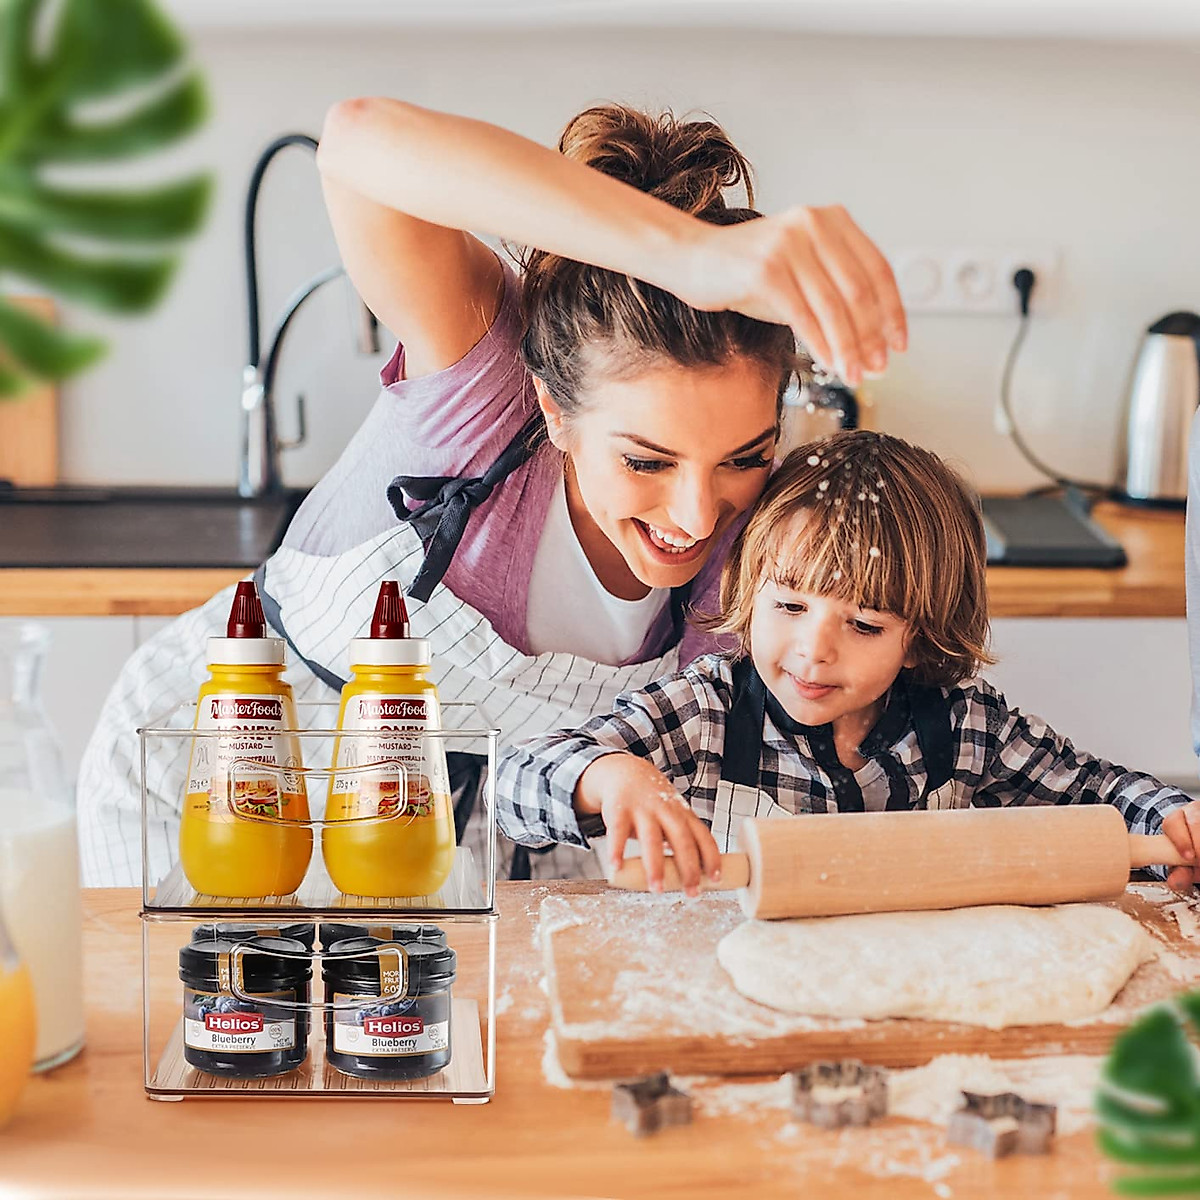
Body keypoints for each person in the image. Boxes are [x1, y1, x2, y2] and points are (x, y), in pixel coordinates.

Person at [77, 99, 907, 886]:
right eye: (646, 463)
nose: (696, 516)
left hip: (481, 861)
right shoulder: (482, 390)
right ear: (555, 410)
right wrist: (685, 257)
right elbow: (360, 141)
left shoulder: (759, 548)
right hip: (230, 785)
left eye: (742, 456)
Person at [495, 430, 1200, 895]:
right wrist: (607, 776)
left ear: (918, 637)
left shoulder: (965, 727)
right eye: (790, 608)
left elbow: (1097, 793)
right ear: (749, 592)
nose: (813, 650)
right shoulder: (703, 713)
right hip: (723, 1002)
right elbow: (515, 787)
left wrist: (1175, 822)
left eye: (863, 624)